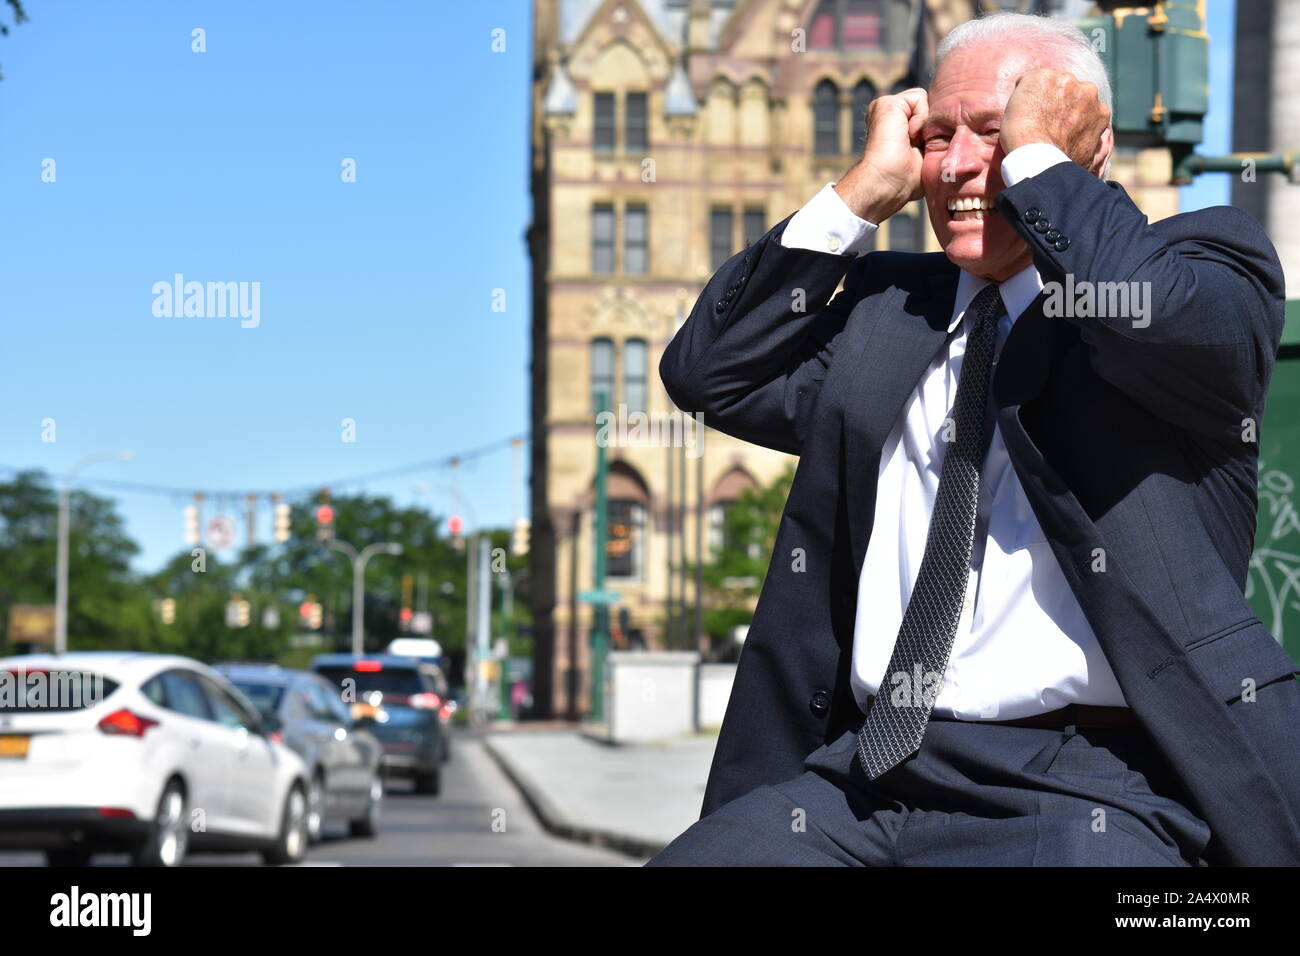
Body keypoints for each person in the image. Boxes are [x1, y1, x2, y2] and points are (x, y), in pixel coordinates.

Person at [647, 12, 1300, 866]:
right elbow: (709, 373)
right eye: (939, 137)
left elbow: (1163, 322)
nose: (956, 166)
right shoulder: (889, 312)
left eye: (995, 133)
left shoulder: (1205, 265)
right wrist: (858, 196)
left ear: (1083, 145)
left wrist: (1037, 165)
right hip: (867, 775)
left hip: (1092, 788)